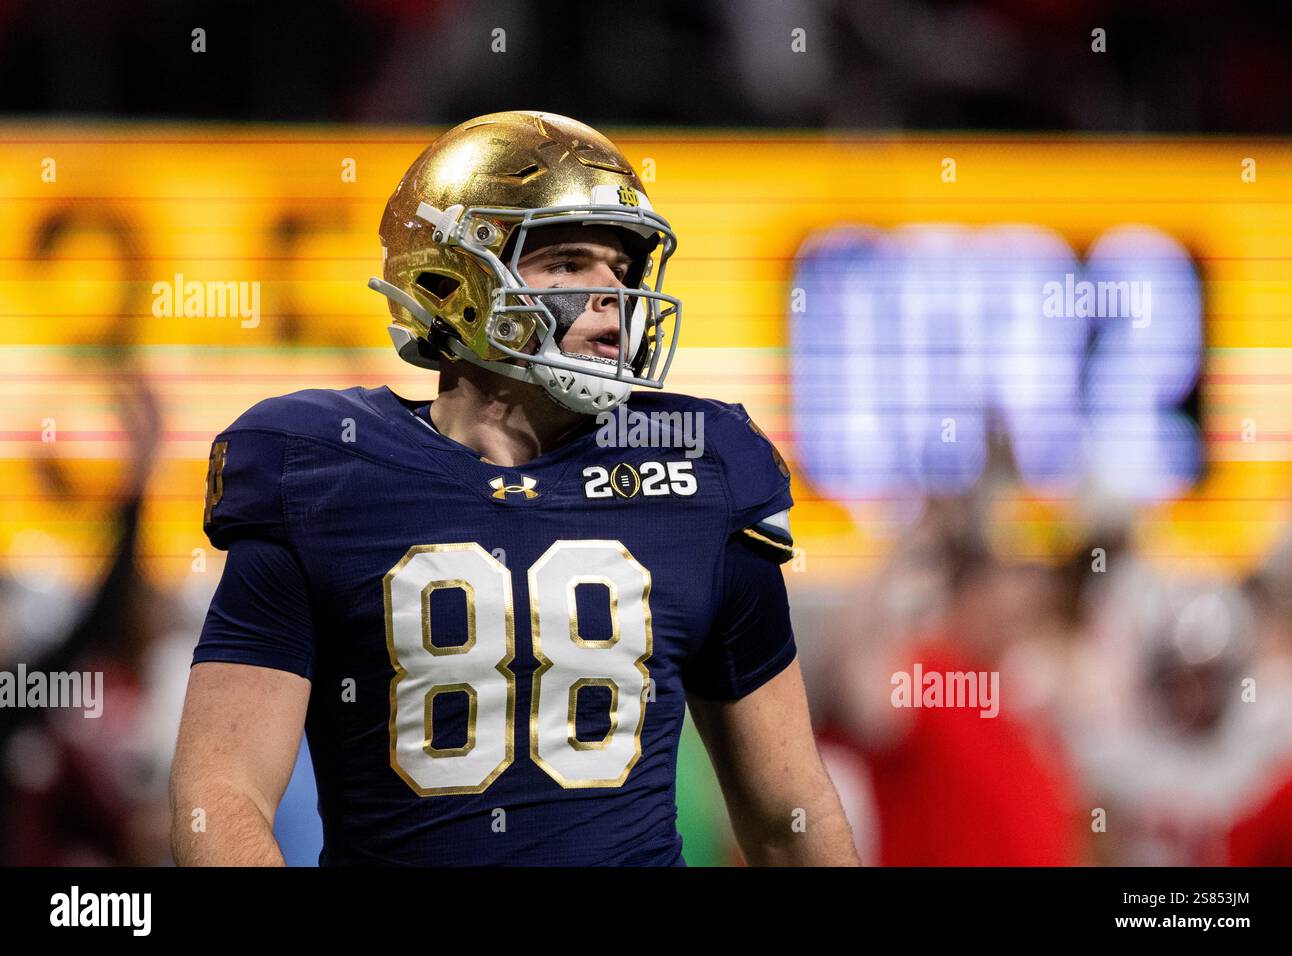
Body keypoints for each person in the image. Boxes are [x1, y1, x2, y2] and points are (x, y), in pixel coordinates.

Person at [169, 110, 858, 867]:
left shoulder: (701, 467)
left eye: (621, 270)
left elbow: (787, 813)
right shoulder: (319, 468)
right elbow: (222, 794)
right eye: (567, 263)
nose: (612, 294)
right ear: (449, 277)